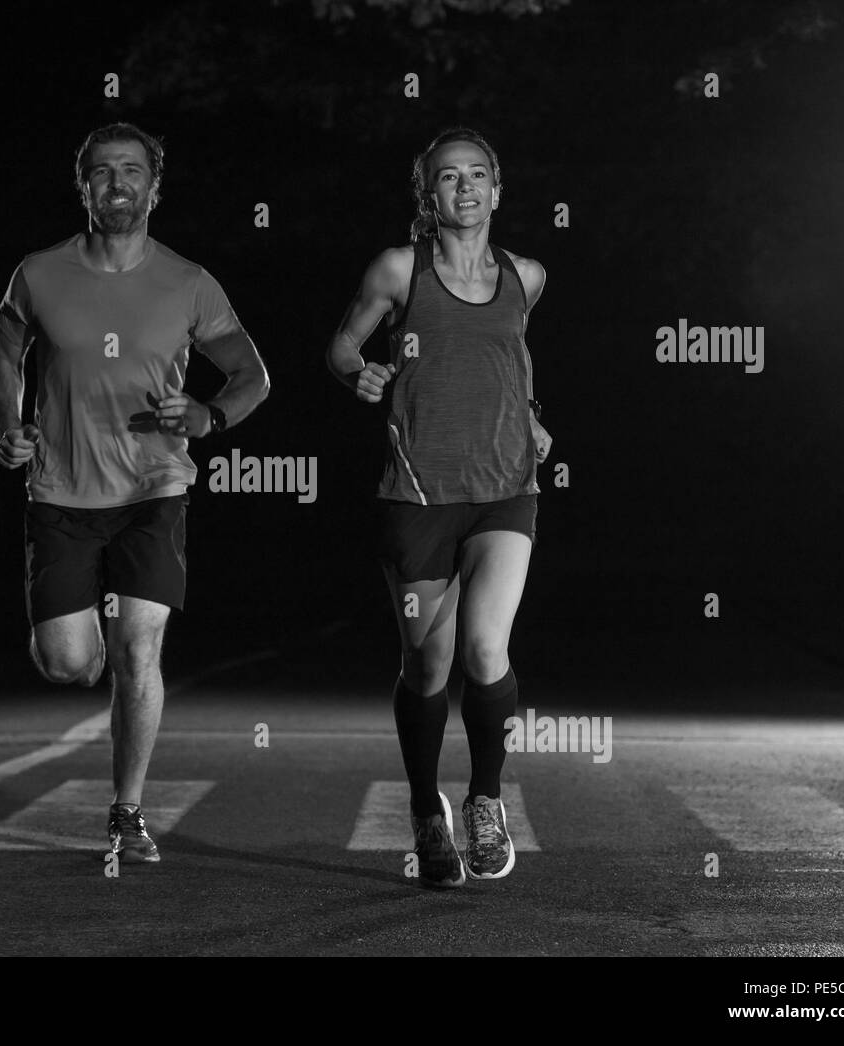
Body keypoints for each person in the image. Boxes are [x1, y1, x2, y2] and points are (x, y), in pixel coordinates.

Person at [0, 122, 269, 862]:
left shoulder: (188, 281)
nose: (118, 184)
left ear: (155, 187)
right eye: (103, 172)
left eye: (133, 171)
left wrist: (209, 414)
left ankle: (127, 810)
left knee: (139, 649)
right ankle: (68, 640)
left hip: (154, 488)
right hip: (62, 492)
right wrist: (7, 427)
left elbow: (253, 376)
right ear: (83, 187)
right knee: (70, 664)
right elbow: (3, 353)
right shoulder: (38, 273)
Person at [326, 128, 552, 888]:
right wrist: (359, 372)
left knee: (487, 651)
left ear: (497, 189)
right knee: (428, 664)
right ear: (428, 195)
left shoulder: (528, 274)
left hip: (505, 492)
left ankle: (486, 800)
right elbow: (342, 347)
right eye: (448, 177)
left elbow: (507, 363)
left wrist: (531, 415)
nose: (464, 187)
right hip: (417, 497)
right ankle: (427, 811)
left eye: (477, 174)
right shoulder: (399, 270)